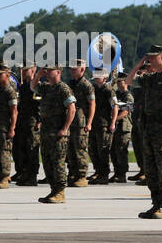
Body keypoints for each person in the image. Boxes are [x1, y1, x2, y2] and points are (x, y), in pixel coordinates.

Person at [125, 45, 162, 218]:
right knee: (150, 170)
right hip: (149, 129)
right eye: (148, 57)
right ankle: (156, 203)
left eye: (152, 57)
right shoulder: (151, 78)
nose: (150, 60)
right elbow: (129, 81)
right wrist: (139, 64)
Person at [38, 63, 76, 204]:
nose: (47, 73)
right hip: (47, 133)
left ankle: (60, 192)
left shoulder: (63, 88)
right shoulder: (47, 88)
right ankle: (53, 190)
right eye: (46, 71)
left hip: (58, 134)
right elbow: (32, 87)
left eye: (50, 71)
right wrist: (38, 75)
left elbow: (72, 109)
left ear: (58, 72)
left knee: (58, 163)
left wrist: (65, 128)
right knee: (47, 163)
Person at [66, 59, 95, 187]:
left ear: (82, 70)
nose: (72, 71)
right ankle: (73, 173)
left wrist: (89, 122)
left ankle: (82, 175)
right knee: (70, 149)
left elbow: (92, 104)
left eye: (74, 69)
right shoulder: (70, 84)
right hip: (70, 121)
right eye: (71, 69)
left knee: (80, 149)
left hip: (81, 122)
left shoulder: (86, 85)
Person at [14, 65, 42, 186]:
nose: (24, 72)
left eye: (26, 70)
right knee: (22, 148)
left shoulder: (37, 86)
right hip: (22, 121)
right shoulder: (23, 86)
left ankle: (32, 176)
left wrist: (40, 121)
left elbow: (41, 104)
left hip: (32, 121)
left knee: (32, 149)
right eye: (22, 70)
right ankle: (25, 174)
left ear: (33, 70)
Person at [88, 68, 115, 183]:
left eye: (98, 76)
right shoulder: (93, 89)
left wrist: (113, 122)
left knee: (103, 150)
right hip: (94, 123)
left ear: (104, 77)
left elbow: (115, 107)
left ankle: (104, 175)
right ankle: (98, 171)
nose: (96, 78)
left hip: (104, 124)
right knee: (93, 149)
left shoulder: (108, 90)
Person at [111, 72, 133, 183]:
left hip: (124, 127)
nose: (118, 83)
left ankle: (122, 174)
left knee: (121, 151)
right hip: (116, 127)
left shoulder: (128, 96)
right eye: (117, 81)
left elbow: (126, 111)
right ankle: (117, 172)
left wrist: (114, 120)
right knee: (114, 151)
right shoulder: (117, 95)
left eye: (120, 81)